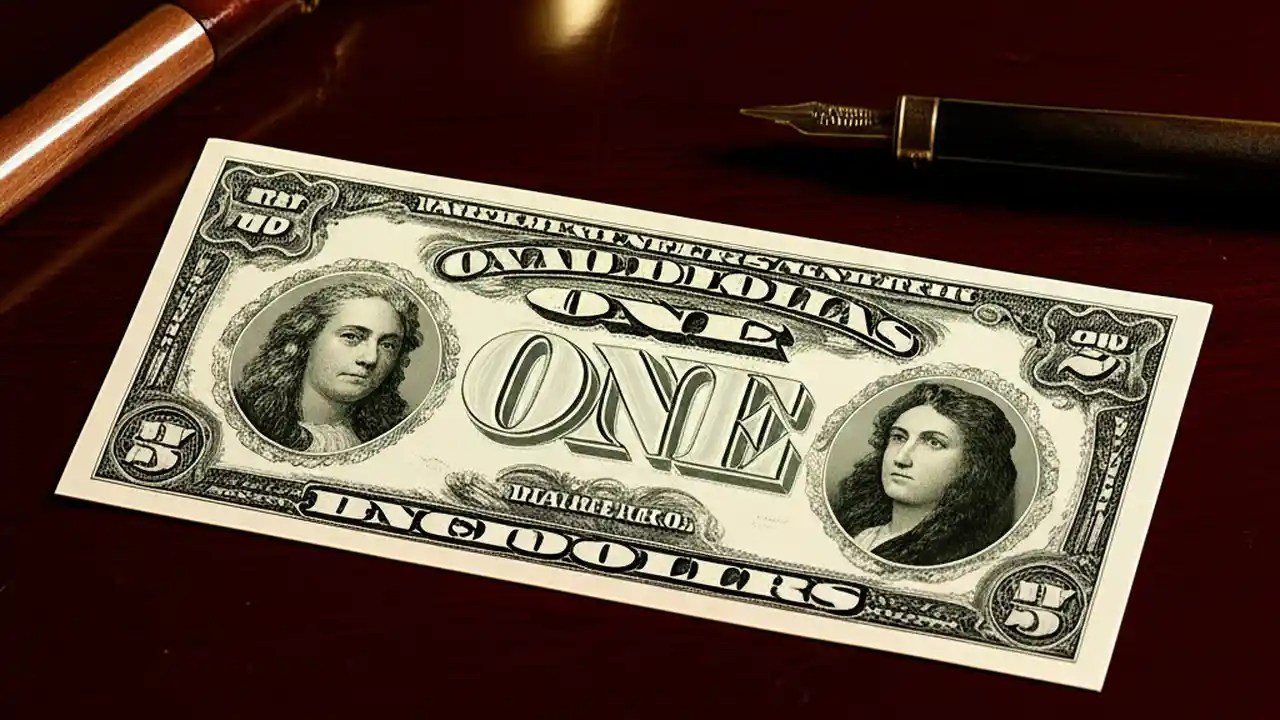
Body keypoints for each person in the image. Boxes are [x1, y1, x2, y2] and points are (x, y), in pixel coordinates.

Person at [830, 381, 1018, 566]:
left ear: (972, 464)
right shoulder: (863, 535)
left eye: (933, 442)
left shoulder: (956, 557)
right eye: (898, 437)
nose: (901, 458)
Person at [234, 278, 424, 453]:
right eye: (351, 337)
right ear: (307, 338)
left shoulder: (394, 441)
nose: (370, 358)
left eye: (387, 345)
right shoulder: (249, 421)